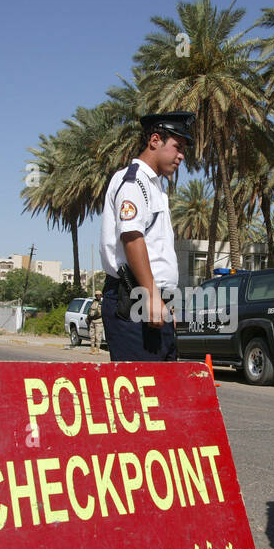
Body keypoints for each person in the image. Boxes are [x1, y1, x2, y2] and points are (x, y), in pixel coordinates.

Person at [99, 112, 192, 362]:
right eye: (177, 147)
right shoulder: (134, 181)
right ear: (154, 141)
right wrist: (150, 295)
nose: (181, 155)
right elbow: (132, 238)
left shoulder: (154, 185)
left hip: (150, 301)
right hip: (133, 299)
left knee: (162, 393)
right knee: (141, 394)